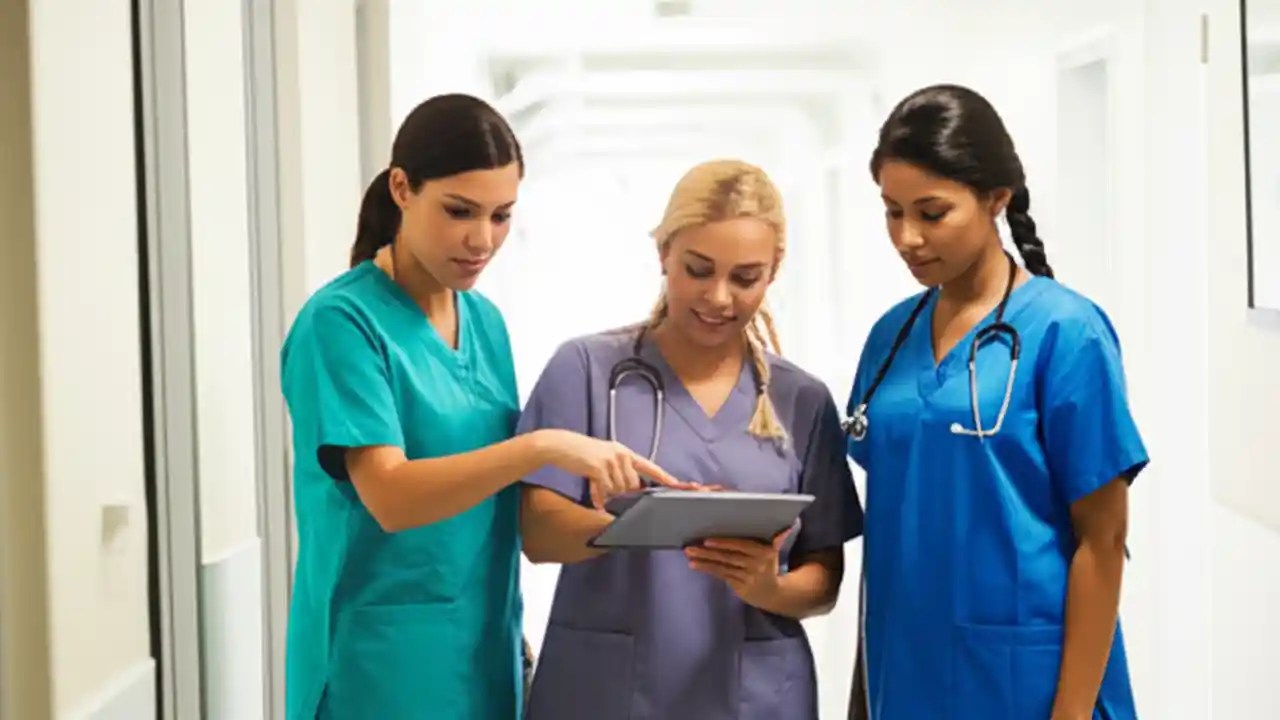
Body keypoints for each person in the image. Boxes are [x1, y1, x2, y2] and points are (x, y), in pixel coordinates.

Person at [279, 93, 687, 720]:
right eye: (459, 211)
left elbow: (489, 507)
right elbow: (390, 496)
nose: (481, 239)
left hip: (482, 655)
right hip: (380, 667)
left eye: (501, 216)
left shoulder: (484, 323)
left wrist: (636, 521)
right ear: (401, 188)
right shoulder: (341, 323)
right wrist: (543, 447)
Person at [516, 159, 865, 720]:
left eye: (745, 277)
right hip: (606, 691)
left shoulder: (802, 401)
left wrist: (768, 589)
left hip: (756, 694)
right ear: (664, 255)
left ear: (773, 272)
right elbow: (537, 534)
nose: (719, 297)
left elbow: (824, 577)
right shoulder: (586, 370)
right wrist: (643, 524)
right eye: (698, 270)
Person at [844, 84, 1147, 720]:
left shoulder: (1066, 332)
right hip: (905, 676)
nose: (907, 238)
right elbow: (896, 538)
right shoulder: (890, 338)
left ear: (995, 200)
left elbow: (1104, 538)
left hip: (1026, 683)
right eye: (892, 211)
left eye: (932, 213)